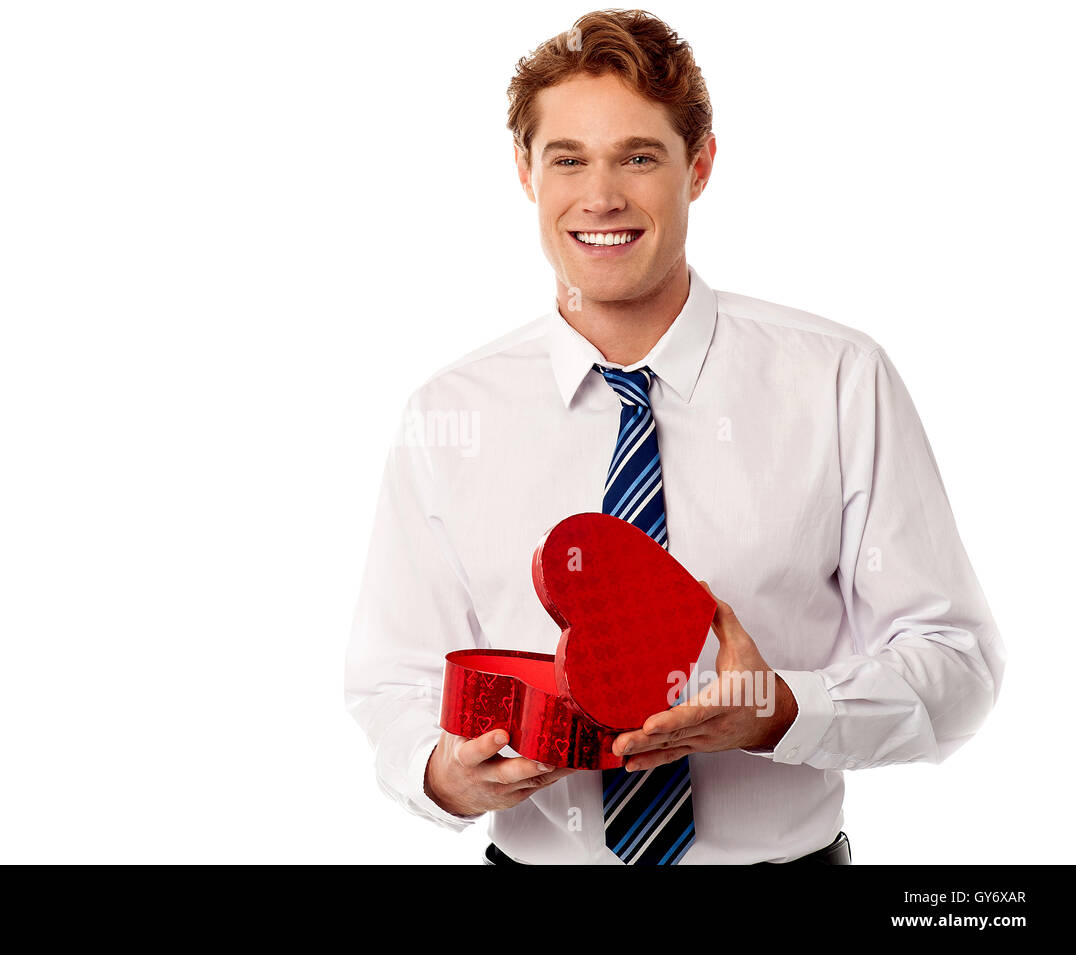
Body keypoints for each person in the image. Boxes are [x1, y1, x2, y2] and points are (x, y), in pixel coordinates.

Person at [343, 9, 1004, 865]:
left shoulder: (838, 381)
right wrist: (443, 776)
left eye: (638, 157)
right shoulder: (447, 414)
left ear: (700, 166)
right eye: (568, 158)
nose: (601, 196)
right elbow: (392, 681)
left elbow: (958, 664)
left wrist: (781, 711)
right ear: (524, 172)